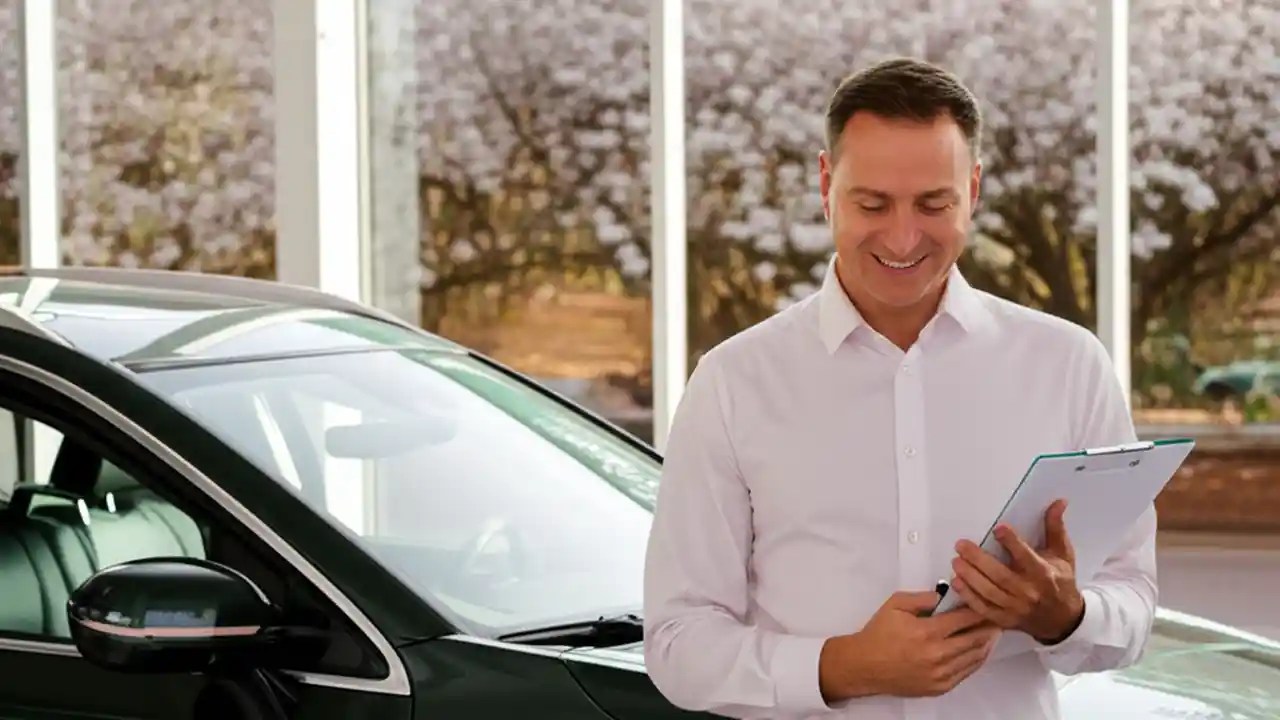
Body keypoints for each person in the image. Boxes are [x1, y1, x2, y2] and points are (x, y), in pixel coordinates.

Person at [642, 57, 1156, 720]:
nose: (904, 236)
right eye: (873, 203)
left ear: (973, 189)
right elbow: (678, 643)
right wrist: (845, 665)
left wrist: (1068, 616)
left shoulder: (1068, 365)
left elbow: (1135, 601)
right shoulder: (734, 383)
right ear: (827, 184)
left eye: (934, 204)